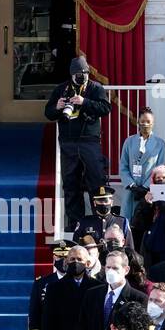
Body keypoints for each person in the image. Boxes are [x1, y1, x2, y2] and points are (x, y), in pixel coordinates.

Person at [45, 56, 110, 233]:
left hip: (89, 141)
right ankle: (76, 224)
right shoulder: (61, 89)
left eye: (85, 74)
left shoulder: (95, 88)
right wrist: (58, 107)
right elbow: (48, 113)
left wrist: (85, 102)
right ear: (72, 75)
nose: (82, 77)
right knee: (71, 183)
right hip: (68, 143)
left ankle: (99, 221)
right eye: (78, 74)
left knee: (95, 182)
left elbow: (106, 108)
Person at [78, 250, 148, 330]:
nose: (110, 271)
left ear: (126, 270)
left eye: (115, 268)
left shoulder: (138, 298)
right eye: (108, 267)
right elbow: (81, 325)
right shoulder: (92, 294)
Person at [119, 108, 165, 220]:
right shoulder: (129, 141)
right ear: (138, 122)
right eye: (142, 121)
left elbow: (160, 167)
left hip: (149, 191)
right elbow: (123, 166)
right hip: (131, 190)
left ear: (153, 123)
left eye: (148, 122)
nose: (145, 124)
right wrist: (132, 185)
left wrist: (146, 186)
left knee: (147, 222)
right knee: (128, 221)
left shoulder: (160, 144)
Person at [28, 241, 70, 330]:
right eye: (59, 257)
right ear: (53, 257)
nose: (62, 260)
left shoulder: (80, 282)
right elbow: (34, 313)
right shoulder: (41, 283)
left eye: (66, 257)